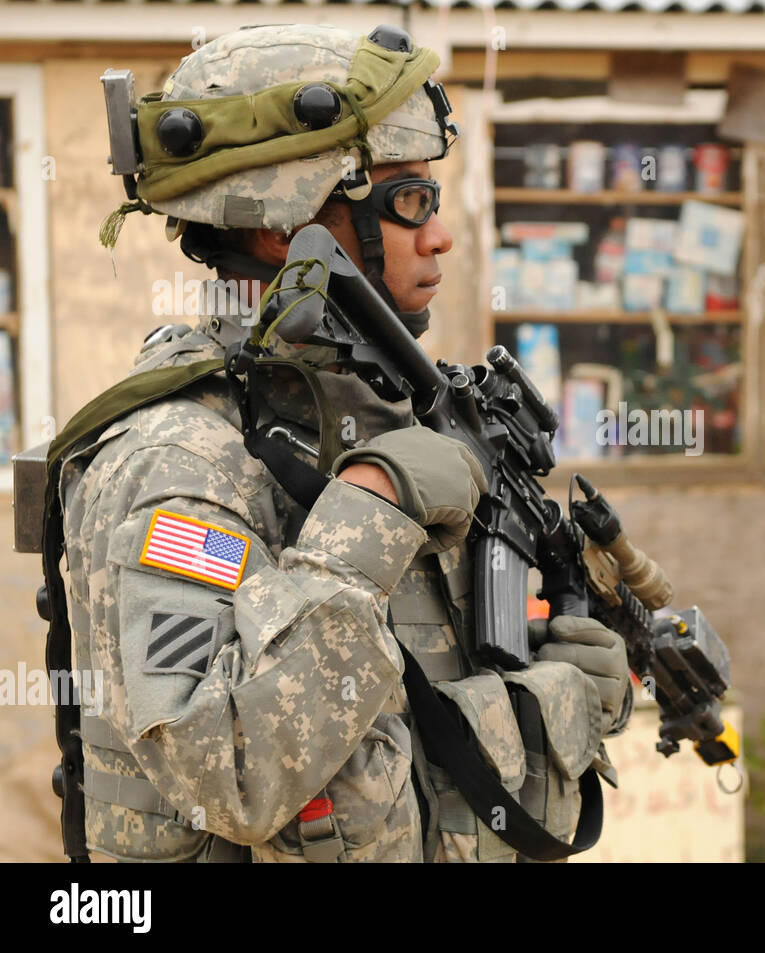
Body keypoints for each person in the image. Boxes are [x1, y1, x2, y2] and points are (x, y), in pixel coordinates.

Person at [51, 22, 630, 863]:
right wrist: (374, 506)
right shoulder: (177, 459)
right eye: (407, 202)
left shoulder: (370, 411)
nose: (441, 236)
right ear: (288, 233)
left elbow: (395, 701)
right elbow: (231, 771)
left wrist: (549, 685)